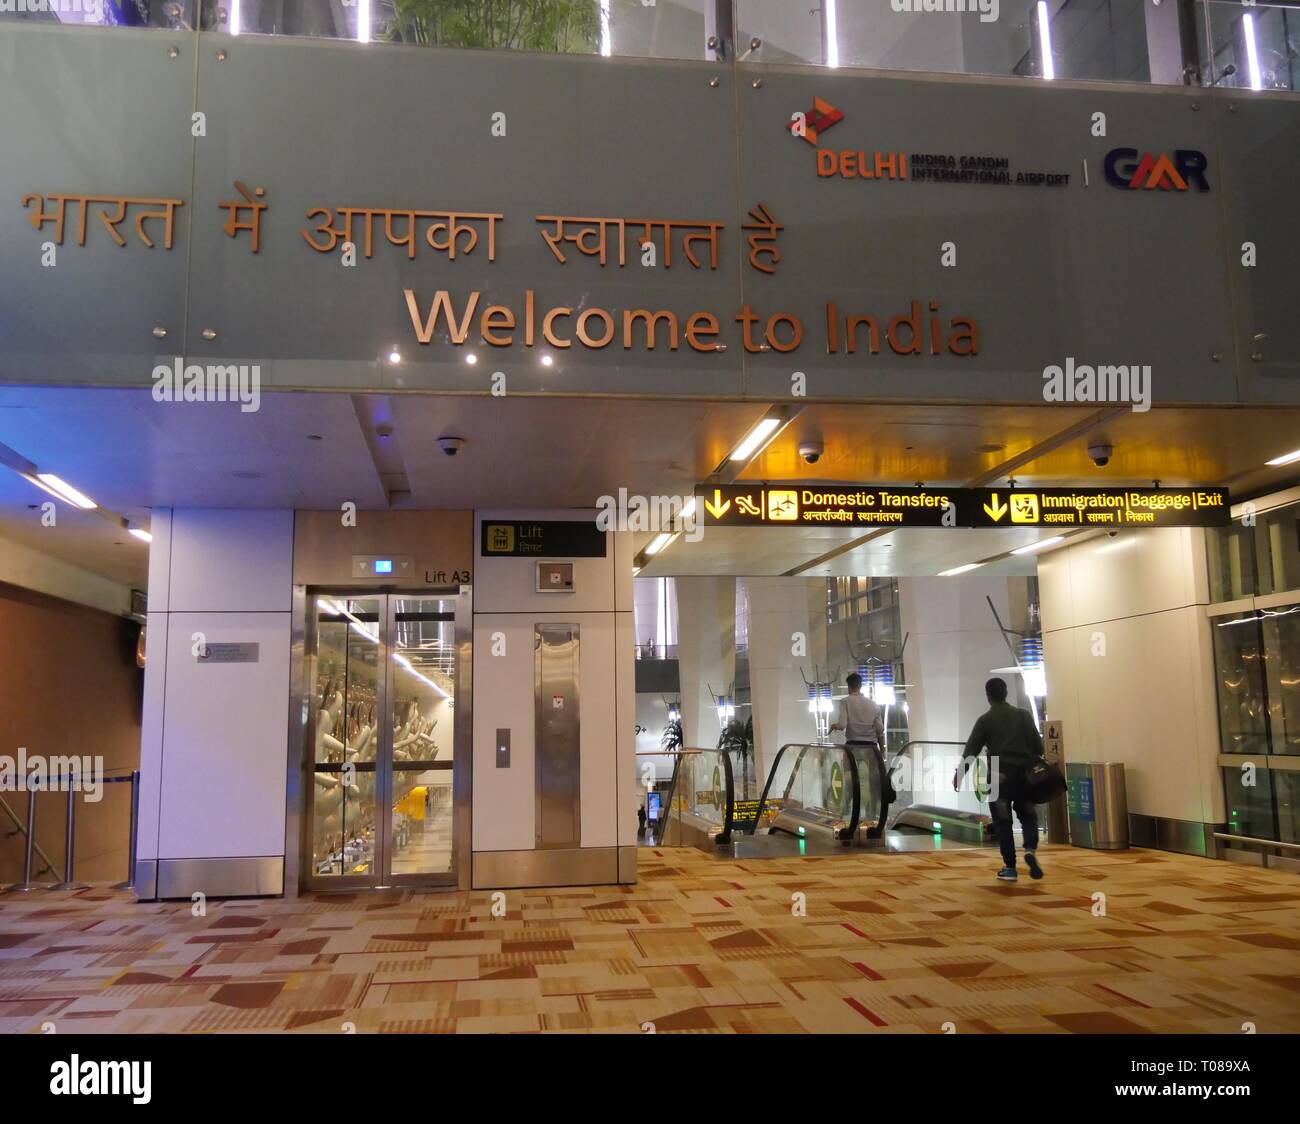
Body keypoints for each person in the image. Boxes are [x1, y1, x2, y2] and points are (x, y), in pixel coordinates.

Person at [955, 677, 1045, 882]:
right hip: (1024, 774)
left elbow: (972, 749)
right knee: (1028, 814)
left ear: (988, 697)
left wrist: (960, 774)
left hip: (998, 775)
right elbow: (1038, 747)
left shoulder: (985, 720)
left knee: (1003, 821)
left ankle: (1010, 867)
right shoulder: (1023, 715)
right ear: (1006, 693)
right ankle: (1030, 848)